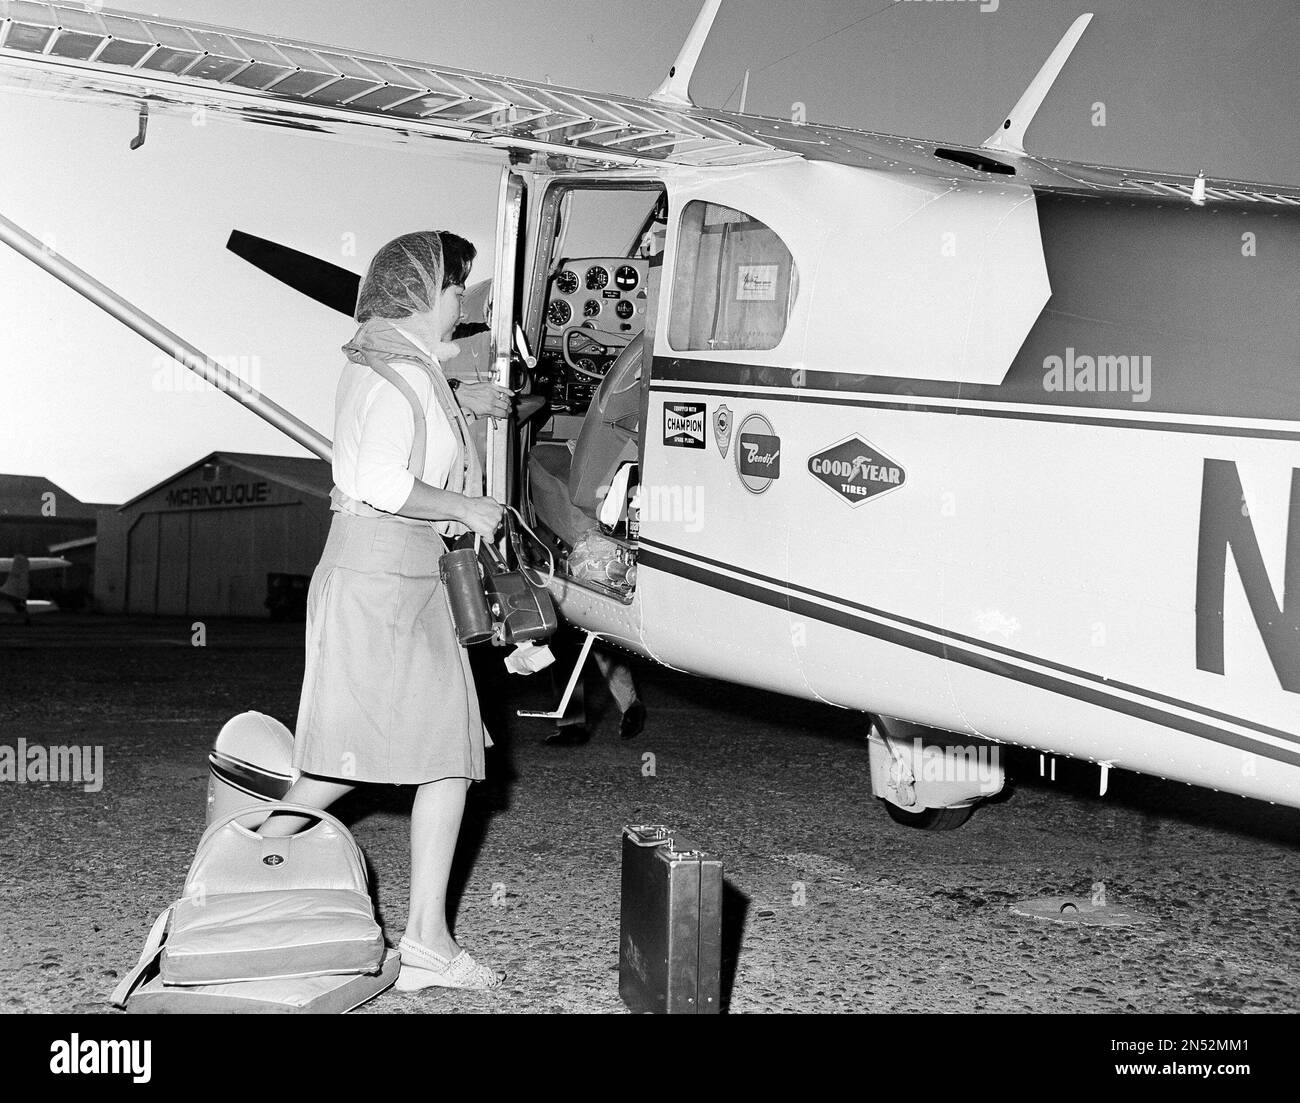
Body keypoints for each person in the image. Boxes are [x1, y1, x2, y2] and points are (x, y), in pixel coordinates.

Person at [260, 230, 512, 993]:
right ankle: (241, 862)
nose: (461, 302)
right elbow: (377, 477)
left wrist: (461, 399)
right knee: (349, 757)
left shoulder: (401, 367)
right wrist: (467, 503)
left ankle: (427, 941)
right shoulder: (394, 370)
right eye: (454, 288)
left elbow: (411, 416)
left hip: (405, 576)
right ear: (418, 293)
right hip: (379, 576)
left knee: (445, 754)